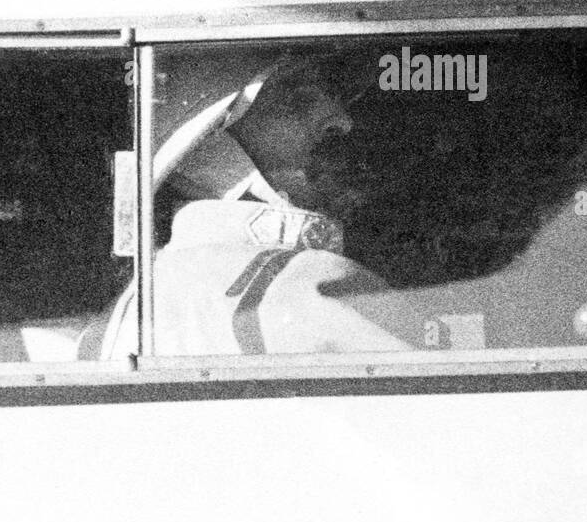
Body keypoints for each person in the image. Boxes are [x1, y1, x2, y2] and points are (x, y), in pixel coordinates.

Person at [89, 50, 419, 359]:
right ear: (210, 148)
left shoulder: (122, 313)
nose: (342, 122)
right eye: (296, 98)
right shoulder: (308, 285)